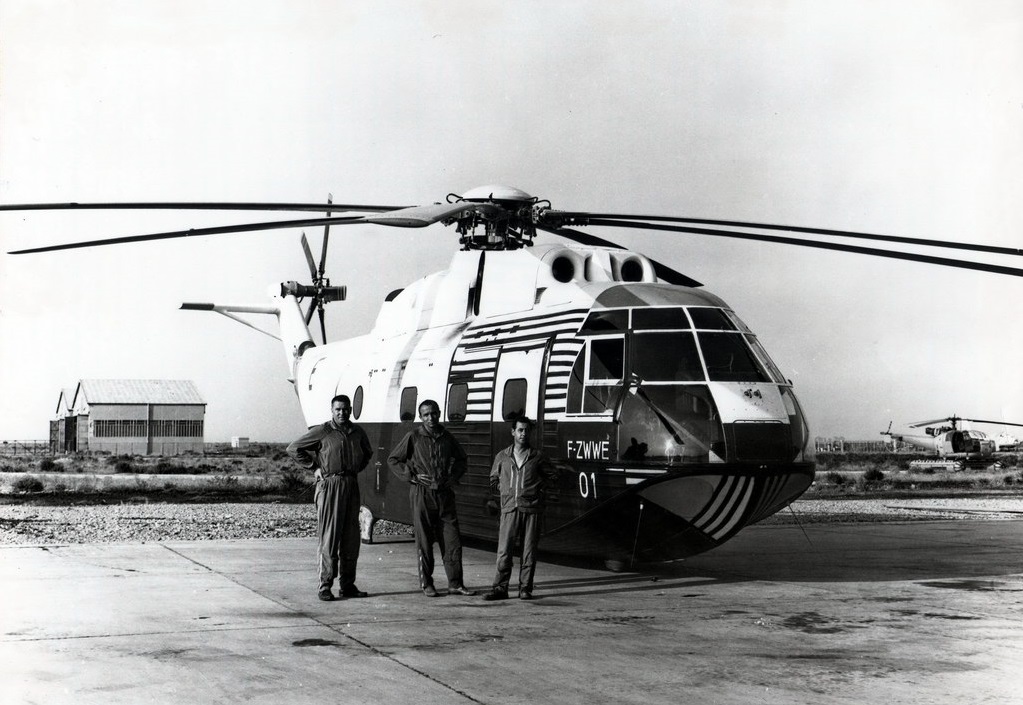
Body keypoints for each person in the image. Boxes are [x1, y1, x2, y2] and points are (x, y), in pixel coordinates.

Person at [287, 394, 374, 602]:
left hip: (350, 484)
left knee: (351, 539)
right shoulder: (323, 431)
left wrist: (354, 469)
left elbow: (367, 453)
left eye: (345, 409)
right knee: (329, 537)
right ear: (332, 410)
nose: (342, 413)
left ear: (351, 410)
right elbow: (293, 448)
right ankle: (325, 585)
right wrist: (314, 467)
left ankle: (347, 585)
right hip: (330, 485)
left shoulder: (357, 432)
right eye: (338, 409)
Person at [387, 399, 476, 597]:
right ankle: (427, 584)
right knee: (425, 541)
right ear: (420, 417)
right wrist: (412, 476)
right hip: (422, 494)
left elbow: (461, 459)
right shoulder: (414, 436)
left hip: (444, 494)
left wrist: (453, 477)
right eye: (426, 414)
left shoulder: (447, 437)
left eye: (434, 413)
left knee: (452, 540)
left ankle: (455, 583)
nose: (431, 418)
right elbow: (393, 460)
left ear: (439, 413)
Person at [483, 416, 559, 601]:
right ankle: (500, 588)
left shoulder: (537, 456)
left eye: (526, 430)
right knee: (504, 551)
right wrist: (504, 490)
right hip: (509, 509)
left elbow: (553, 477)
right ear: (513, 432)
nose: (523, 434)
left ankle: (525, 588)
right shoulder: (502, 456)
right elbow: (493, 480)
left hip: (531, 509)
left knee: (529, 551)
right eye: (520, 430)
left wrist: (538, 491)